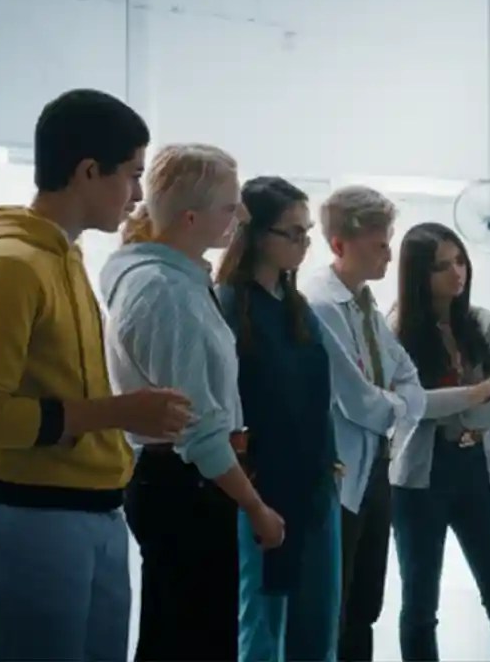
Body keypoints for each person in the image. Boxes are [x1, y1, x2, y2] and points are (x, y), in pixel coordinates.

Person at [0, 88, 193, 662]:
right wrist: (119, 412)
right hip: (34, 523)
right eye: (132, 176)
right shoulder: (12, 265)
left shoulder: (66, 256)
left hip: (96, 514)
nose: (137, 197)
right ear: (88, 171)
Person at [100, 143, 286, 662]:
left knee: (190, 631)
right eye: (230, 206)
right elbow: (197, 426)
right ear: (189, 217)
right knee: (189, 639)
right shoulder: (163, 291)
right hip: (186, 485)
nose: (242, 216)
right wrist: (255, 507)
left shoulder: (179, 279)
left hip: (188, 481)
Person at [387, 222, 490, 662]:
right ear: (417, 274)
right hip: (418, 480)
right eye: (441, 266)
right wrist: (474, 394)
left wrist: (452, 405)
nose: (457, 273)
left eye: (460, 260)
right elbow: (407, 406)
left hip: (479, 472)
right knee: (419, 606)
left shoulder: (481, 324)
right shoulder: (396, 329)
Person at [216, 176, 342, 662]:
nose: (304, 245)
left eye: (307, 233)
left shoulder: (297, 309)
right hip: (262, 488)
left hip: (314, 484)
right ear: (256, 234)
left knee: (317, 626)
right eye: (293, 233)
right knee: (264, 627)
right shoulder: (228, 304)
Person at [304, 184, 425, 662]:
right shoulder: (320, 306)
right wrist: (396, 404)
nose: (389, 257)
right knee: (335, 603)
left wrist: (395, 402)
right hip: (340, 476)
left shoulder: (365, 303)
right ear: (339, 245)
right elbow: (359, 403)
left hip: (375, 469)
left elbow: (408, 378)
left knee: (365, 605)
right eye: (379, 245)